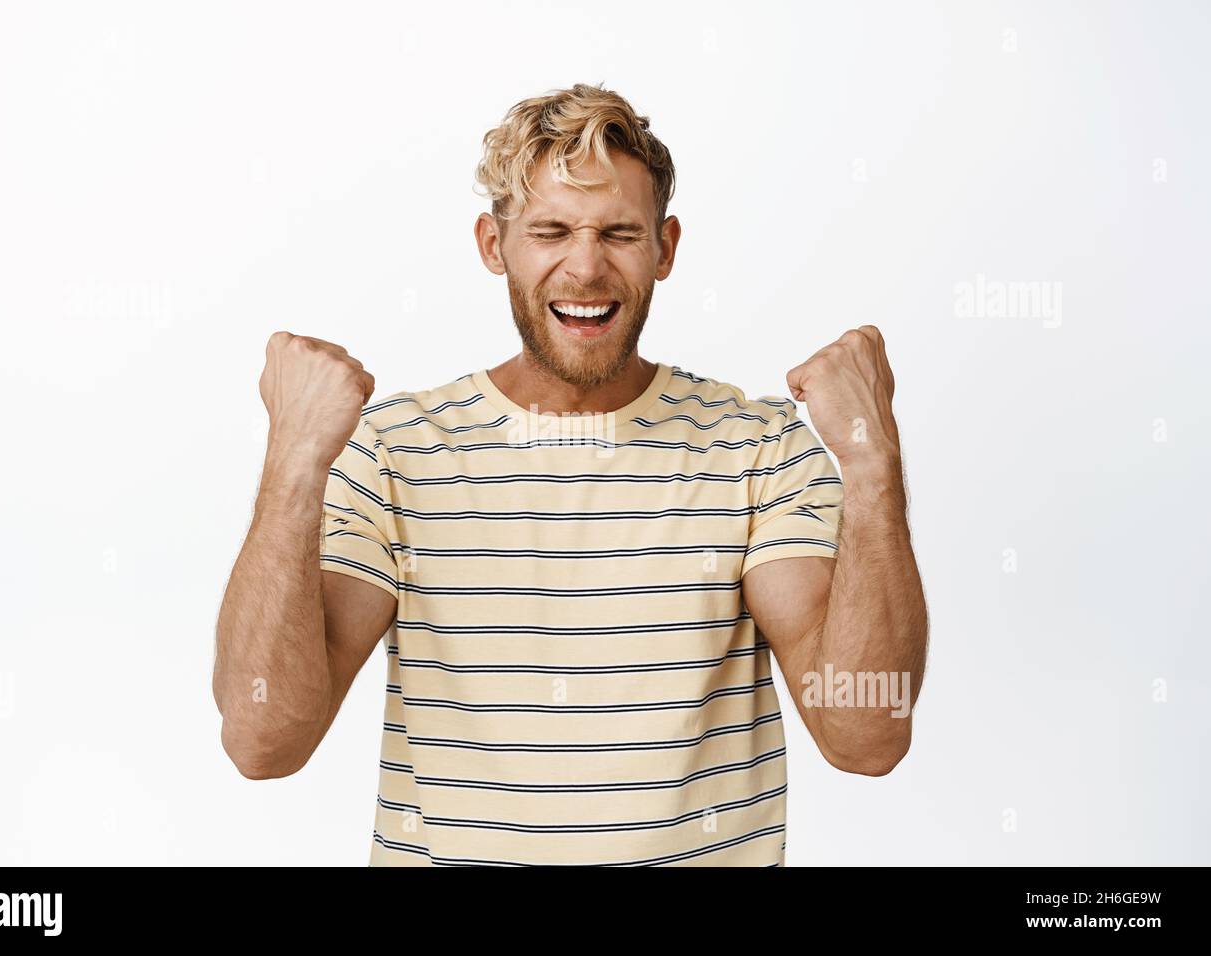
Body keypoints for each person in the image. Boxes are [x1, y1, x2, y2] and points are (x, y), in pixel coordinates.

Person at [213, 82, 928, 866]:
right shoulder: (394, 452)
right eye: (550, 230)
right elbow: (263, 741)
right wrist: (292, 464)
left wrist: (871, 464)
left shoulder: (758, 449)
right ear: (495, 245)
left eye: (619, 232)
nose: (585, 268)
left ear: (665, 247)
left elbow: (866, 737)